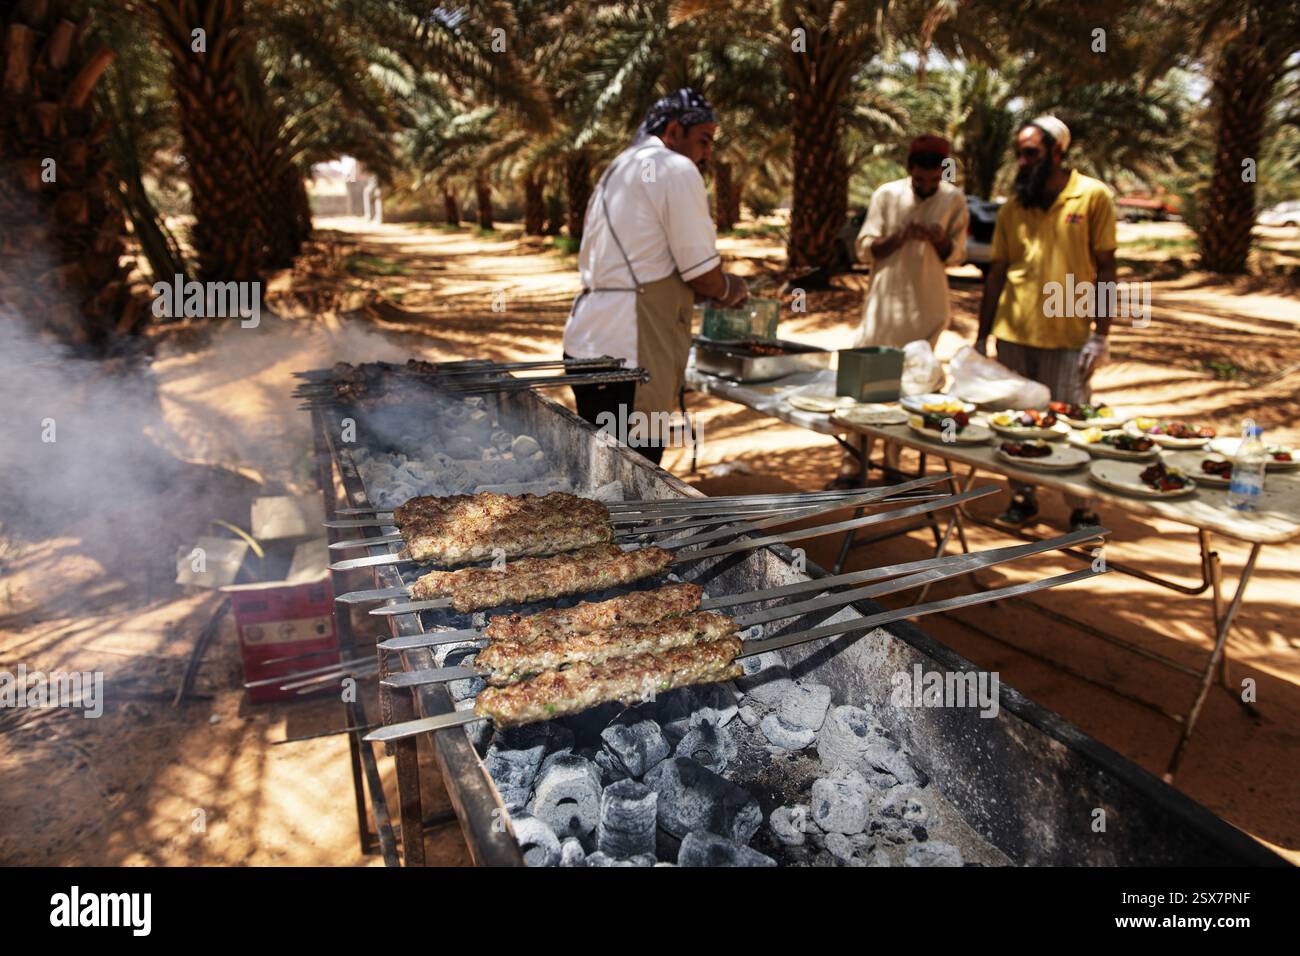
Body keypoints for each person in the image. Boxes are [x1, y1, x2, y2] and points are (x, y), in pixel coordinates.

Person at [562, 88, 749, 465]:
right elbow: (704, 274)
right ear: (676, 130)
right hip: (630, 354)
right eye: (704, 140)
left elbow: (647, 264)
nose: (708, 154)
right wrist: (730, 289)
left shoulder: (619, 167)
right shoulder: (674, 168)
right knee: (635, 478)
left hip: (586, 344)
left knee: (600, 473)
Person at [974, 116, 1116, 530]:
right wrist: (983, 336)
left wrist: (1101, 336)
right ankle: (1023, 499)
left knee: (1069, 421)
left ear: (1057, 151)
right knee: (1017, 421)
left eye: (1031, 152)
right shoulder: (1014, 206)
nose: (1022, 160)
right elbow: (997, 272)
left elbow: (1107, 268)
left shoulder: (1091, 196)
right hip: (1014, 334)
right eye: (1018, 153)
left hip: (1068, 336)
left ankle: (1081, 508)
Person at [828, 135, 969, 489]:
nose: (926, 187)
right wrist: (902, 235)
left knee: (911, 387)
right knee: (868, 383)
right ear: (910, 170)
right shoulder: (887, 195)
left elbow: (957, 254)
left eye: (933, 180)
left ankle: (893, 464)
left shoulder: (953, 199)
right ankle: (853, 464)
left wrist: (938, 239)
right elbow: (865, 249)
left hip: (928, 306)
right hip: (884, 305)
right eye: (920, 180)